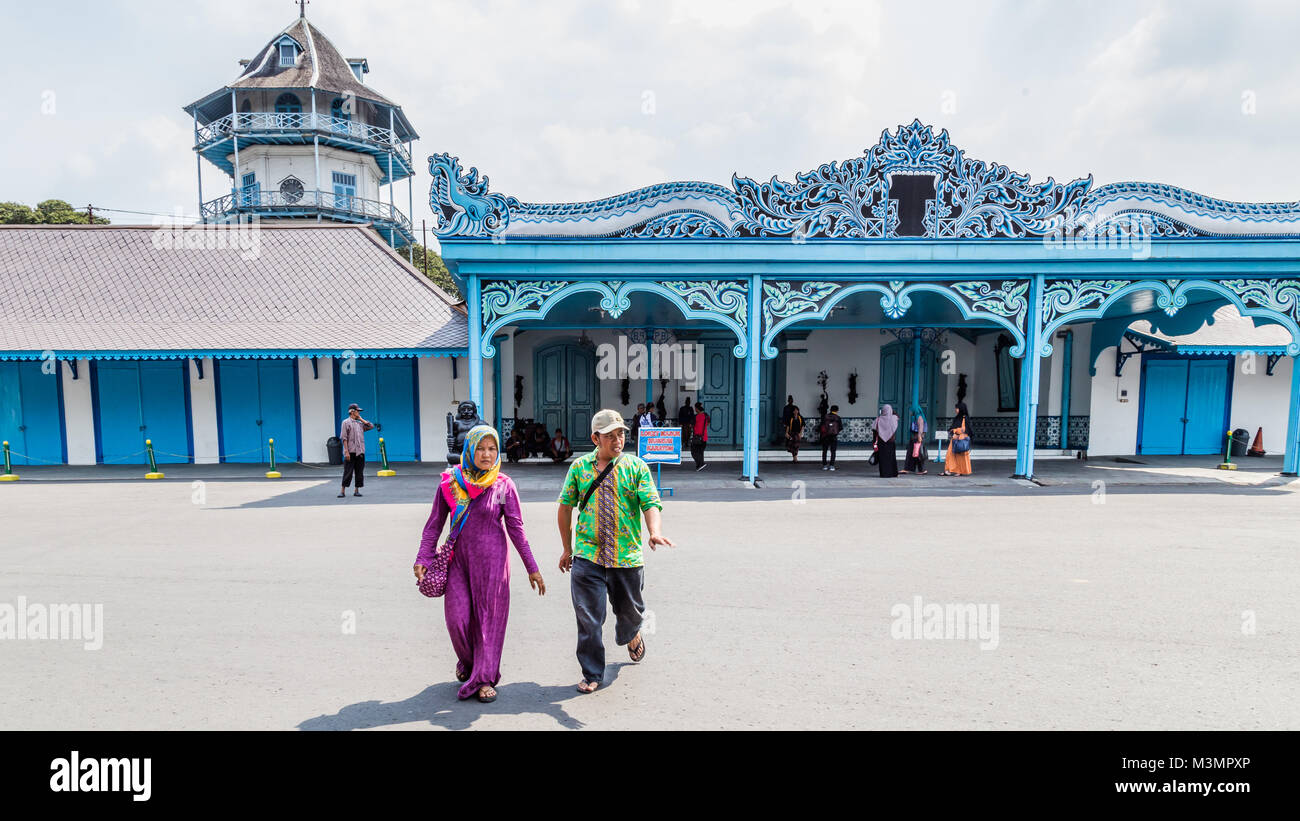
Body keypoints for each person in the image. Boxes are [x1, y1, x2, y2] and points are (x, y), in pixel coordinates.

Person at [413, 425, 545, 703]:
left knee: (488, 622)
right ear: (470, 450)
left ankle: (485, 678)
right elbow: (434, 524)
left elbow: (517, 529)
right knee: (457, 620)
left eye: (492, 448)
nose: (487, 454)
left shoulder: (503, 485)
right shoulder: (450, 482)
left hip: (493, 564)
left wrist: (532, 567)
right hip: (459, 561)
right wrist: (423, 556)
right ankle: (470, 663)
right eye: (481, 448)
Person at [557, 409, 675, 694]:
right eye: (610, 435)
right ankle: (592, 672)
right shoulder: (579, 468)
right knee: (588, 619)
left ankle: (631, 634)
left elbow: (650, 503)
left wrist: (654, 531)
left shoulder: (636, 467)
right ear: (595, 438)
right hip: (588, 556)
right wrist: (566, 548)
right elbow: (565, 508)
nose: (617, 439)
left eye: (620, 433)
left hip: (626, 557)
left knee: (631, 612)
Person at [339, 403, 372, 498]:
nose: (359, 412)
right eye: (357, 411)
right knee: (348, 472)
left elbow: (370, 426)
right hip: (351, 451)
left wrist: (360, 418)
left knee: (359, 472)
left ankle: (356, 490)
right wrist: (346, 451)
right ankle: (342, 491)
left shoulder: (360, 424)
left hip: (360, 452)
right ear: (352, 412)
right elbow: (344, 438)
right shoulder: (345, 422)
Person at [942, 401, 973, 476]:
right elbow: (953, 427)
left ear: (961, 409)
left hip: (961, 439)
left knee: (960, 457)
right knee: (950, 454)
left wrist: (955, 430)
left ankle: (959, 471)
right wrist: (951, 431)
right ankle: (948, 470)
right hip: (955, 439)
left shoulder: (965, 418)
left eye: (957, 408)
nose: (956, 410)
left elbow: (965, 429)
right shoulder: (957, 417)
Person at [872, 404, 900, 478]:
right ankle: (894, 473)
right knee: (892, 457)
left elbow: (874, 431)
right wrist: (893, 412)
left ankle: (884, 474)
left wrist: (874, 443)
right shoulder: (893, 418)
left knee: (883, 458)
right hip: (891, 442)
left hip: (881, 442)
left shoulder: (878, 419)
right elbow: (897, 416)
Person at [900, 404, 928, 475]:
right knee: (914, 454)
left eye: (913, 410)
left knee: (917, 454)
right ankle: (909, 468)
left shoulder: (918, 417)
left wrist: (919, 436)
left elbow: (920, 427)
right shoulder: (917, 416)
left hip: (917, 438)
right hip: (915, 438)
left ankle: (920, 469)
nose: (911, 411)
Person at [820, 405, 843, 471]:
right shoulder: (838, 417)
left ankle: (824, 466)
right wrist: (835, 432)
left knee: (824, 451)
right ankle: (832, 466)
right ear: (837, 410)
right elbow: (841, 427)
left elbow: (821, 426)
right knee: (833, 451)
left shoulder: (825, 416)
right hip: (833, 437)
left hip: (825, 436)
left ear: (830, 409)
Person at [691, 401, 709, 471]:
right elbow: (708, 423)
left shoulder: (696, 417)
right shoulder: (706, 416)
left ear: (697, 409)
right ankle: (699, 466)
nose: (695, 410)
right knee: (700, 452)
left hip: (697, 437)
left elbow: (691, 425)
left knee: (693, 452)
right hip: (704, 437)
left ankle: (701, 463)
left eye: (695, 408)